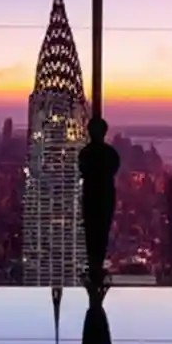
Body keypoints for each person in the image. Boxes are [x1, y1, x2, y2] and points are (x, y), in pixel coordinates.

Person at [78, 117, 120, 285]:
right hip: (105, 195)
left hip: (92, 196)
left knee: (93, 232)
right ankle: (96, 266)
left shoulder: (86, 153)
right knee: (100, 231)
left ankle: (94, 266)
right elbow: (113, 169)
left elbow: (83, 170)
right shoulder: (110, 153)